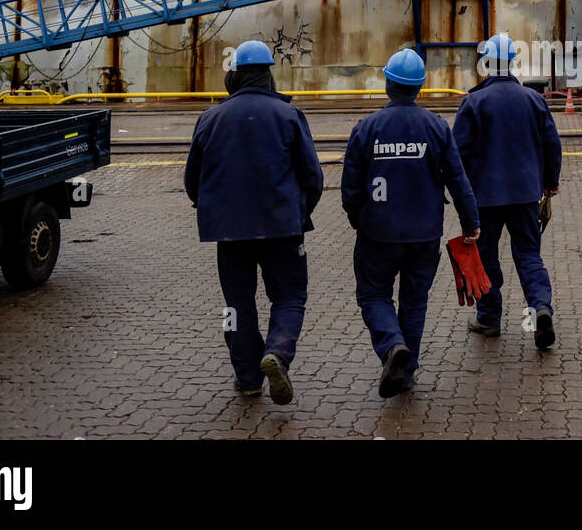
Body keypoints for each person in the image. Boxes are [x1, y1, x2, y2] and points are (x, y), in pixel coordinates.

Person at [184, 40, 323, 405]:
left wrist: (213, 210)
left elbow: (192, 180)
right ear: (267, 74)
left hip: (229, 232)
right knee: (290, 296)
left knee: (237, 302)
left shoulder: (210, 118)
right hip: (282, 227)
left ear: (235, 75)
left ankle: (247, 378)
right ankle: (277, 352)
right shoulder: (288, 115)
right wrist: (300, 212)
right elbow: (313, 176)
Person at [342, 48, 480, 397]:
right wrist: (470, 222)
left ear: (388, 83)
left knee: (373, 295)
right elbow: (457, 179)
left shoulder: (366, 128)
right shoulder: (435, 126)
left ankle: (391, 347)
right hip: (424, 234)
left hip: (378, 233)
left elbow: (350, 186)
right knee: (415, 302)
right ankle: (406, 372)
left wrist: (358, 219)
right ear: (419, 87)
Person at [452, 33, 562, 350]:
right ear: (513, 61)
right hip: (526, 195)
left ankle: (488, 319)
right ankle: (541, 307)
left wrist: (458, 195)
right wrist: (550, 181)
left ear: (486, 62)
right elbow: (552, 145)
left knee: (485, 258)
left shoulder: (473, 102)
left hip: (484, 198)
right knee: (529, 255)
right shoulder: (533, 100)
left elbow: (457, 154)